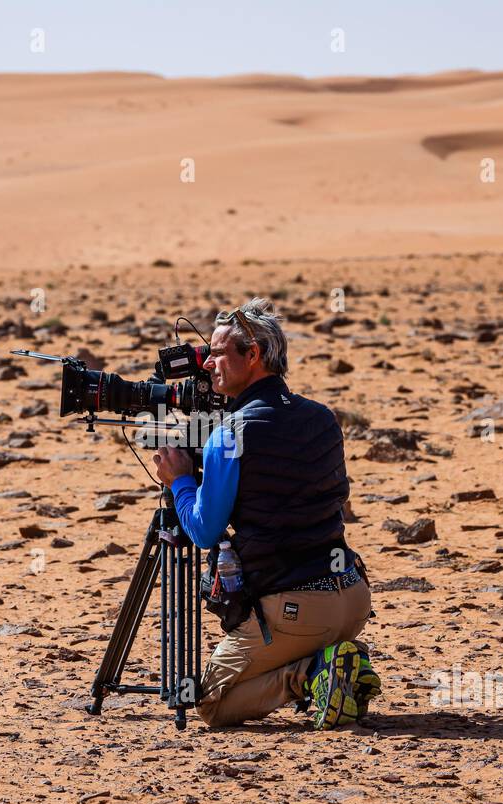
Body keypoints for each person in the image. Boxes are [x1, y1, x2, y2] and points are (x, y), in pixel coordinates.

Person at [152, 298, 380, 729]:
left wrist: (180, 479)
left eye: (217, 354)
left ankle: (313, 674)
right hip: (351, 600)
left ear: (252, 356)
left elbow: (202, 530)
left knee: (212, 706)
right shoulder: (322, 418)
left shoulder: (230, 434)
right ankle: (335, 659)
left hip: (297, 610)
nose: (208, 365)